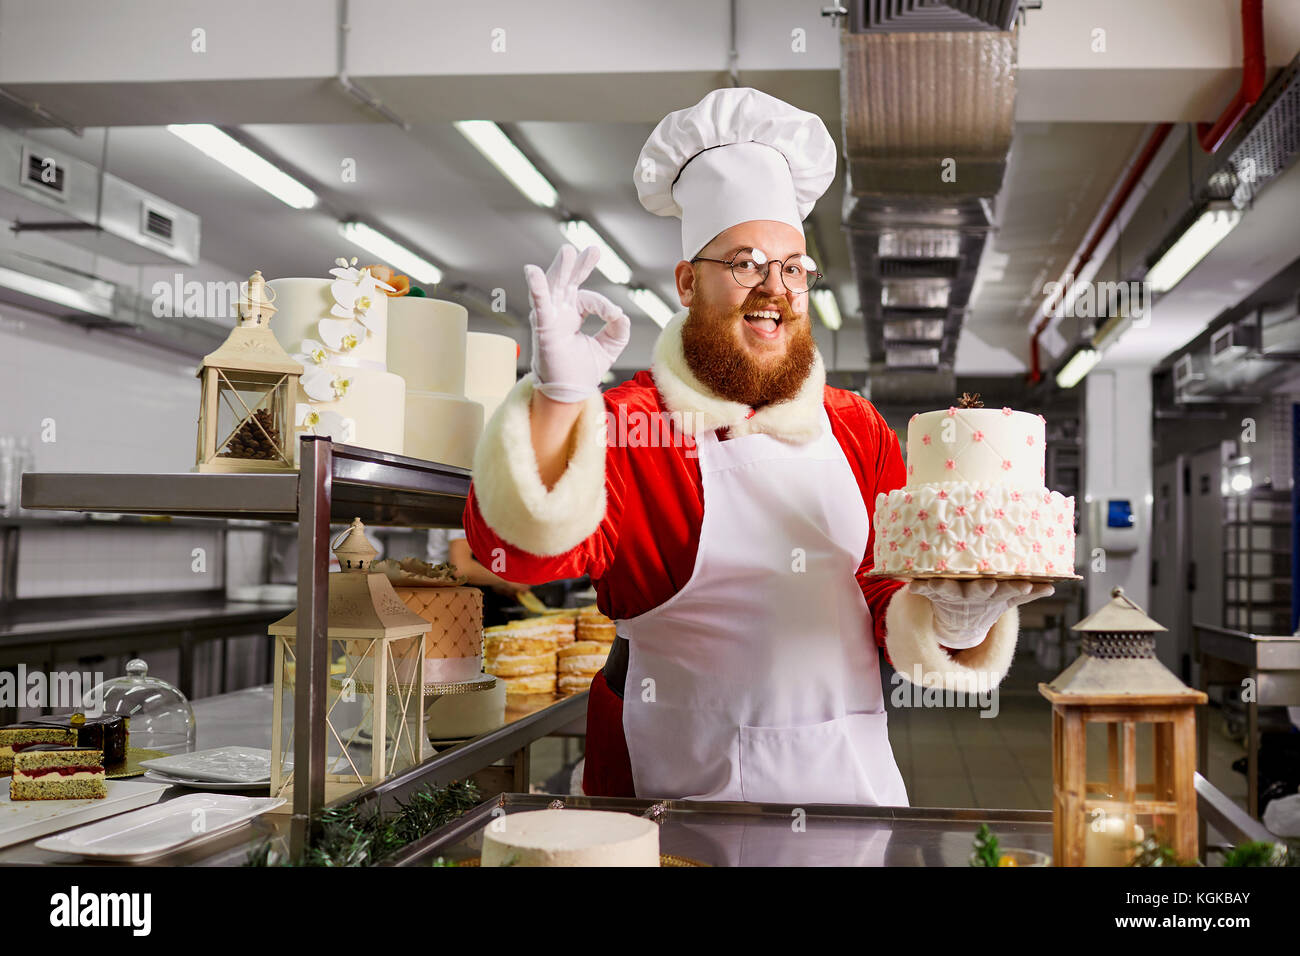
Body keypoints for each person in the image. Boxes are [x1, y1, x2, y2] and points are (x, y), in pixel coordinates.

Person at [464, 87, 1052, 804]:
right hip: (671, 795)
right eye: (744, 263)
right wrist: (559, 404)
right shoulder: (634, 424)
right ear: (687, 281)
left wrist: (958, 618)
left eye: (793, 267)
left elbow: (888, 589)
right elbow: (520, 555)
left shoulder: (857, 426)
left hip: (848, 783)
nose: (773, 289)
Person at [427, 528, 529, 628]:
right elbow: (462, 569)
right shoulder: (463, 512)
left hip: (477, 598)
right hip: (449, 595)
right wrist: (509, 580)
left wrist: (498, 583)